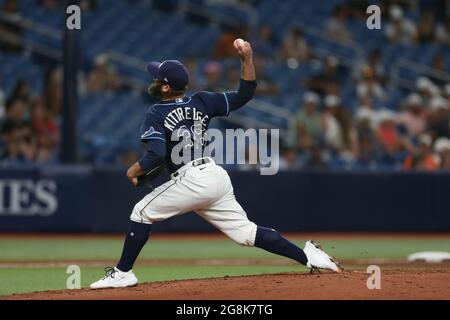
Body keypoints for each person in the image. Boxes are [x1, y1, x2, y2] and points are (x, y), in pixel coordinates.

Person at [90, 40, 341, 289]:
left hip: (192, 179)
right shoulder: (202, 101)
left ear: (165, 88)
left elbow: (155, 153)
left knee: (141, 212)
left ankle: (123, 272)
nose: (153, 80)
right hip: (215, 175)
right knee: (246, 232)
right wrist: (247, 59)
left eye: (157, 78)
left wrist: (134, 170)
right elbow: (245, 94)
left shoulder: (156, 112)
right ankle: (310, 257)